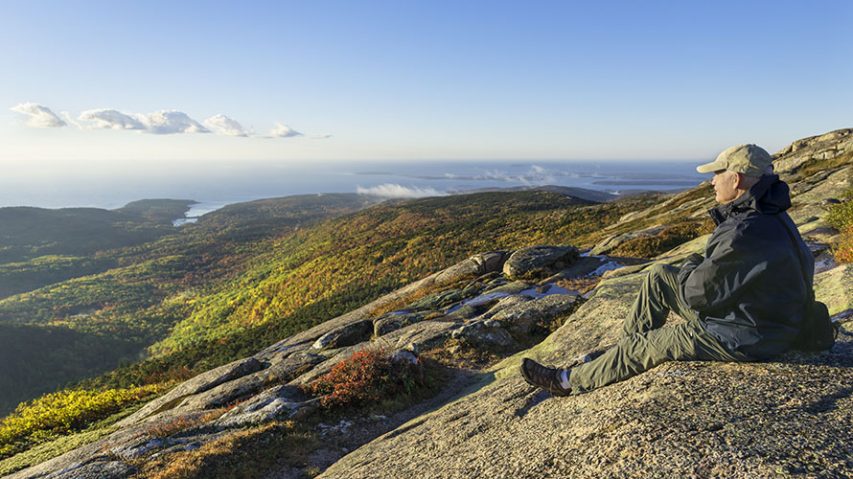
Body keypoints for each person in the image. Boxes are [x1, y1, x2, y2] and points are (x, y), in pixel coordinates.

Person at [521, 144, 813, 396]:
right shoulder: (771, 216)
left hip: (749, 334)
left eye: (716, 174)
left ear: (735, 180)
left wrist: (691, 263)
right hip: (760, 318)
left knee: (650, 344)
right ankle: (620, 355)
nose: (711, 182)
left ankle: (565, 382)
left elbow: (697, 296)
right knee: (659, 275)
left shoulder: (745, 229)